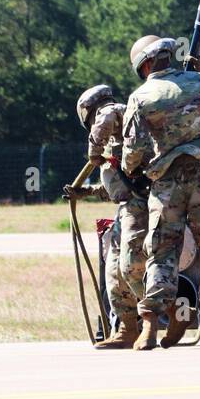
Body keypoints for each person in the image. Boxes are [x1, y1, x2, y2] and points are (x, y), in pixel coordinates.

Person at [121, 35, 200, 349]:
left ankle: (149, 329)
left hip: (166, 185)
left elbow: (133, 151)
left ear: (143, 65)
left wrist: (134, 171)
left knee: (162, 253)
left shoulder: (141, 97)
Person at [70, 83, 148, 349]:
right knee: (114, 267)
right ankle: (127, 327)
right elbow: (114, 187)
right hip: (126, 207)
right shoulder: (117, 143)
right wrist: (84, 192)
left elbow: (104, 120)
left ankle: (159, 316)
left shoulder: (115, 112)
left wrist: (94, 152)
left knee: (131, 266)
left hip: (142, 205)